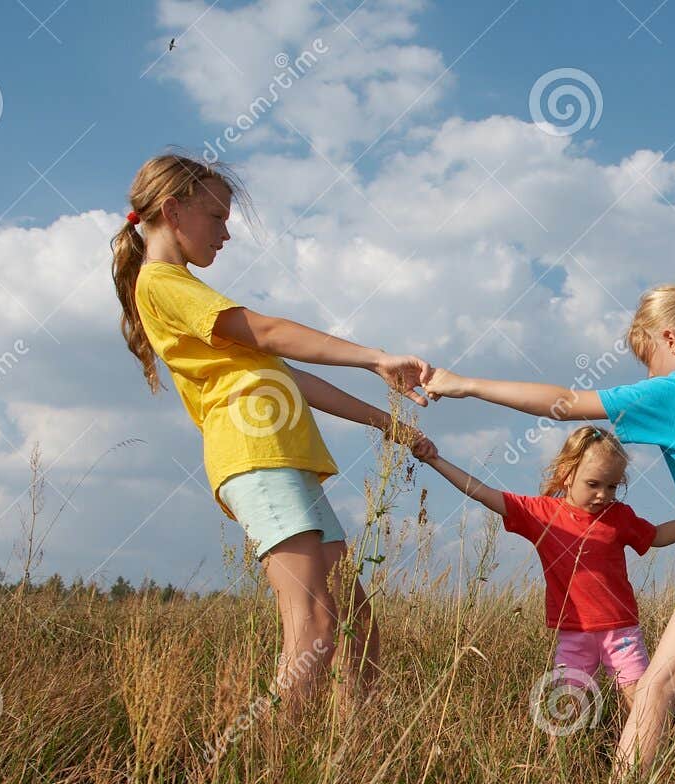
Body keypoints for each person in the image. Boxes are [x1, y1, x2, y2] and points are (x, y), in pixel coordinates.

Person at [424, 285, 675, 770]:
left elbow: (563, 401)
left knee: (655, 687)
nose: (647, 378)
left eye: (648, 360)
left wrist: (465, 384)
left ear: (671, 340)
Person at [111, 153, 436, 707]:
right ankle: (278, 775)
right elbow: (268, 331)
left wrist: (388, 424)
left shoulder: (185, 292)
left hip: (282, 460)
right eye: (216, 217)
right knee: (313, 628)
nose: (226, 233)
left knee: (356, 628)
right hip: (256, 458)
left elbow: (291, 376)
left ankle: (343, 771)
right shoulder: (163, 282)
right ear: (172, 210)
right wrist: (373, 357)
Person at [426, 426, 675, 712]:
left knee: (641, 703)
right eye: (594, 484)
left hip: (621, 631)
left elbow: (658, 537)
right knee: (564, 707)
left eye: (612, 486)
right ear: (567, 473)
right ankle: (556, 757)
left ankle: (645, 755)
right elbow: (482, 493)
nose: (603, 495)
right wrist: (435, 460)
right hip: (573, 631)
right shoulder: (541, 513)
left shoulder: (619, 516)